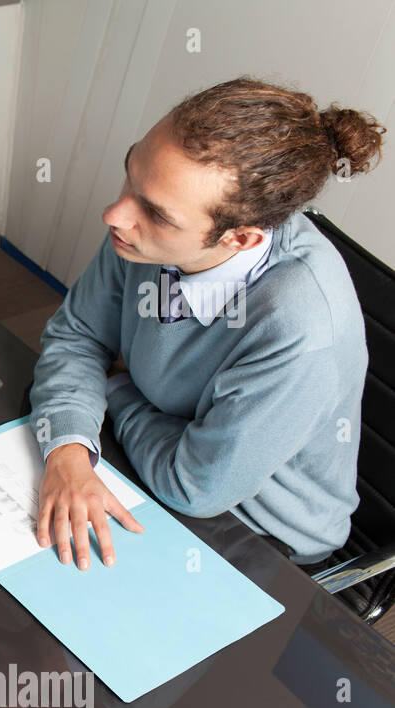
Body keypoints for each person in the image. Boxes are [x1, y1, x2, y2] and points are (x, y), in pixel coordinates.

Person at [30, 77, 384, 571]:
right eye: (131, 175)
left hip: (259, 536)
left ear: (240, 238)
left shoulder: (301, 324)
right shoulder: (141, 234)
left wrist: (114, 388)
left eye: (155, 212)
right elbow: (78, 336)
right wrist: (68, 449)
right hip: (154, 454)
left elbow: (196, 487)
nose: (115, 213)